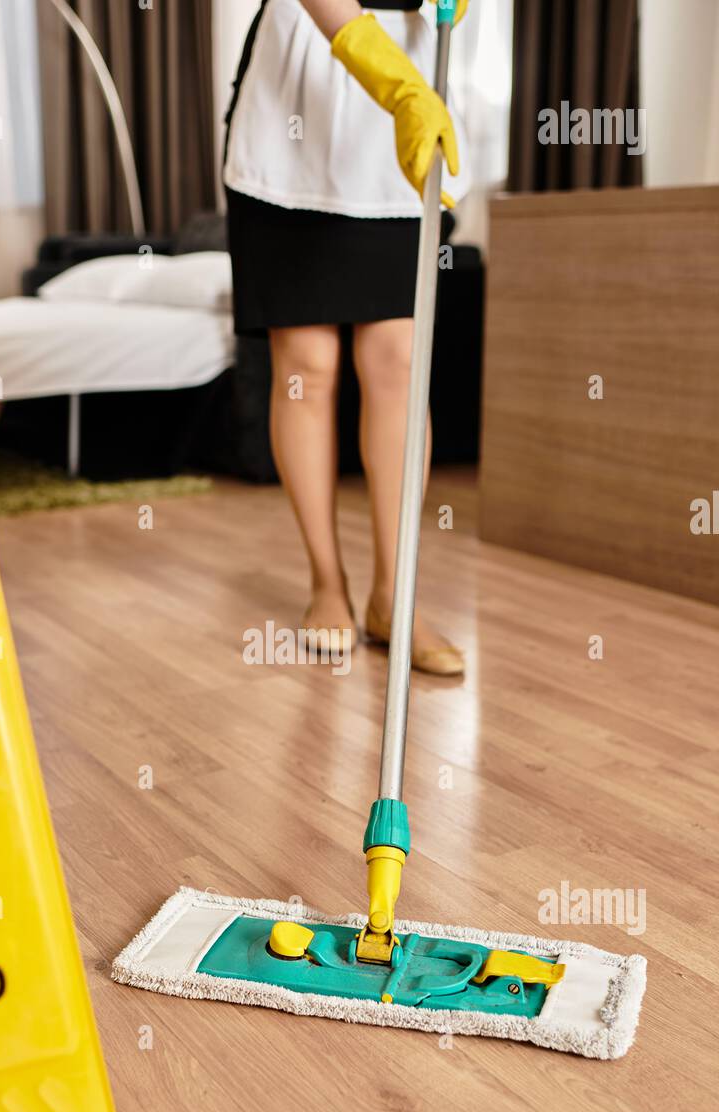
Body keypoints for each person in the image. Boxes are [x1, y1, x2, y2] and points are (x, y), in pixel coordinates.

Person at [224, 0, 470, 675]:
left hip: (399, 130)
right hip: (297, 108)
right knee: (307, 364)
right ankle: (326, 583)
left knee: (398, 360)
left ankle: (395, 595)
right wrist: (396, 83)